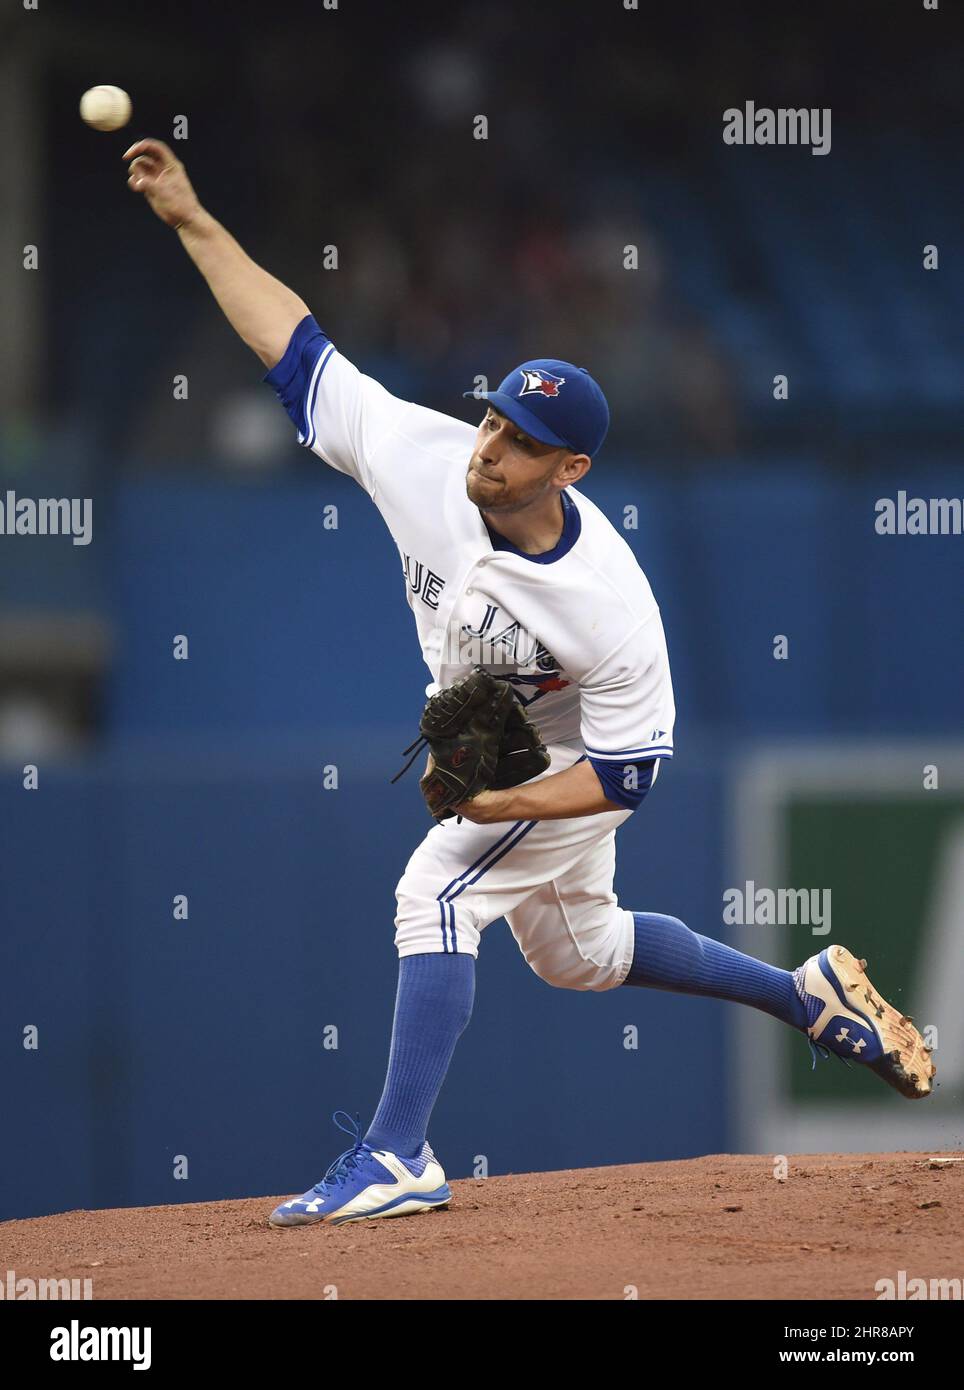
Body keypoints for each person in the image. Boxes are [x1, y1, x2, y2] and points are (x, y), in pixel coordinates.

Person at [124, 139, 935, 1229]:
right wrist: (190, 217)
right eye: (497, 416)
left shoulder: (609, 605)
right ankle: (804, 995)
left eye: (524, 439)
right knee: (578, 955)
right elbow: (294, 344)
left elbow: (629, 774)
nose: (493, 444)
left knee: (437, 891)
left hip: (563, 761)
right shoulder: (426, 454)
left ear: (571, 469)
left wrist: (505, 802)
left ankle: (396, 1154)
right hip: (511, 738)